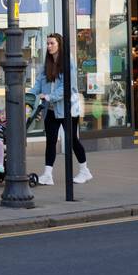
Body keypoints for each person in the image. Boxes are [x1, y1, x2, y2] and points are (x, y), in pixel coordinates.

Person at [29, 32, 93, 186]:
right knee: (50, 141)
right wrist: (29, 95)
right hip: (50, 109)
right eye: (48, 43)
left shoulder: (67, 61)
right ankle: (47, 175)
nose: (49, 46)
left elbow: (67, 86)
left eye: (52, 43)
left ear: (59, 44)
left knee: (72, 140)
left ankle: (85, 171)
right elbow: (39, 83)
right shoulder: (47, 63)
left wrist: (50, 96)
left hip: (67, 108)